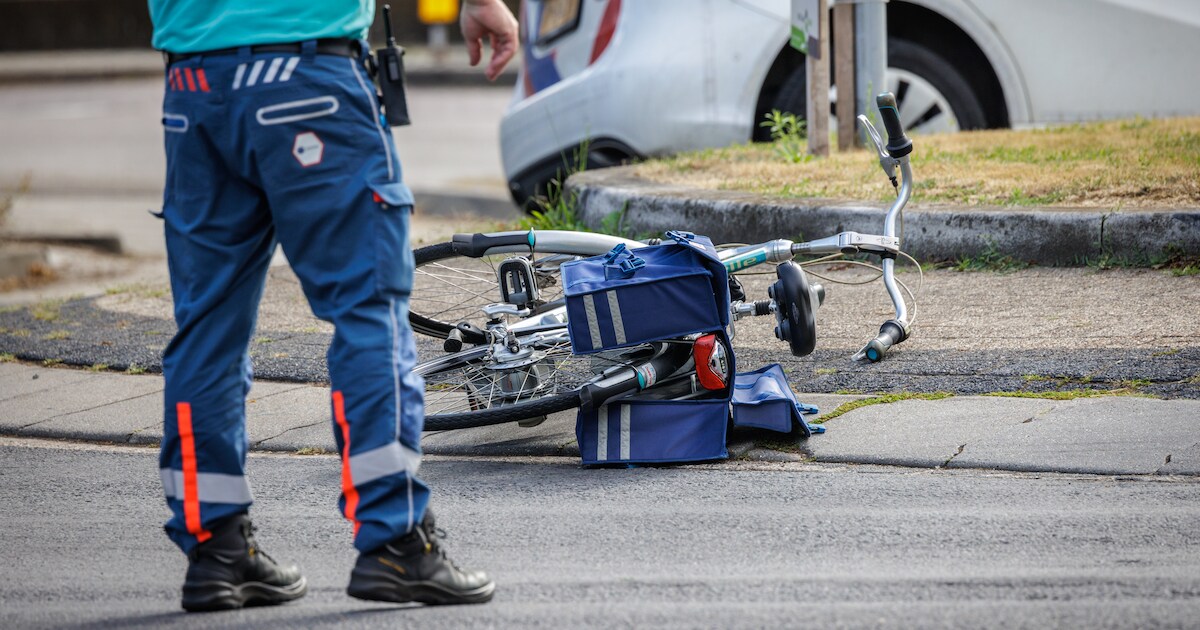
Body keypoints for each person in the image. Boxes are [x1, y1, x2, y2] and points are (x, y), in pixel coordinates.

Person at [148, 0, 518, 612]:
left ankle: (217, 551)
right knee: (368, 311)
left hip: (193, 86)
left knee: (205, 329)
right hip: (307, 76)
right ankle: (395, 541)